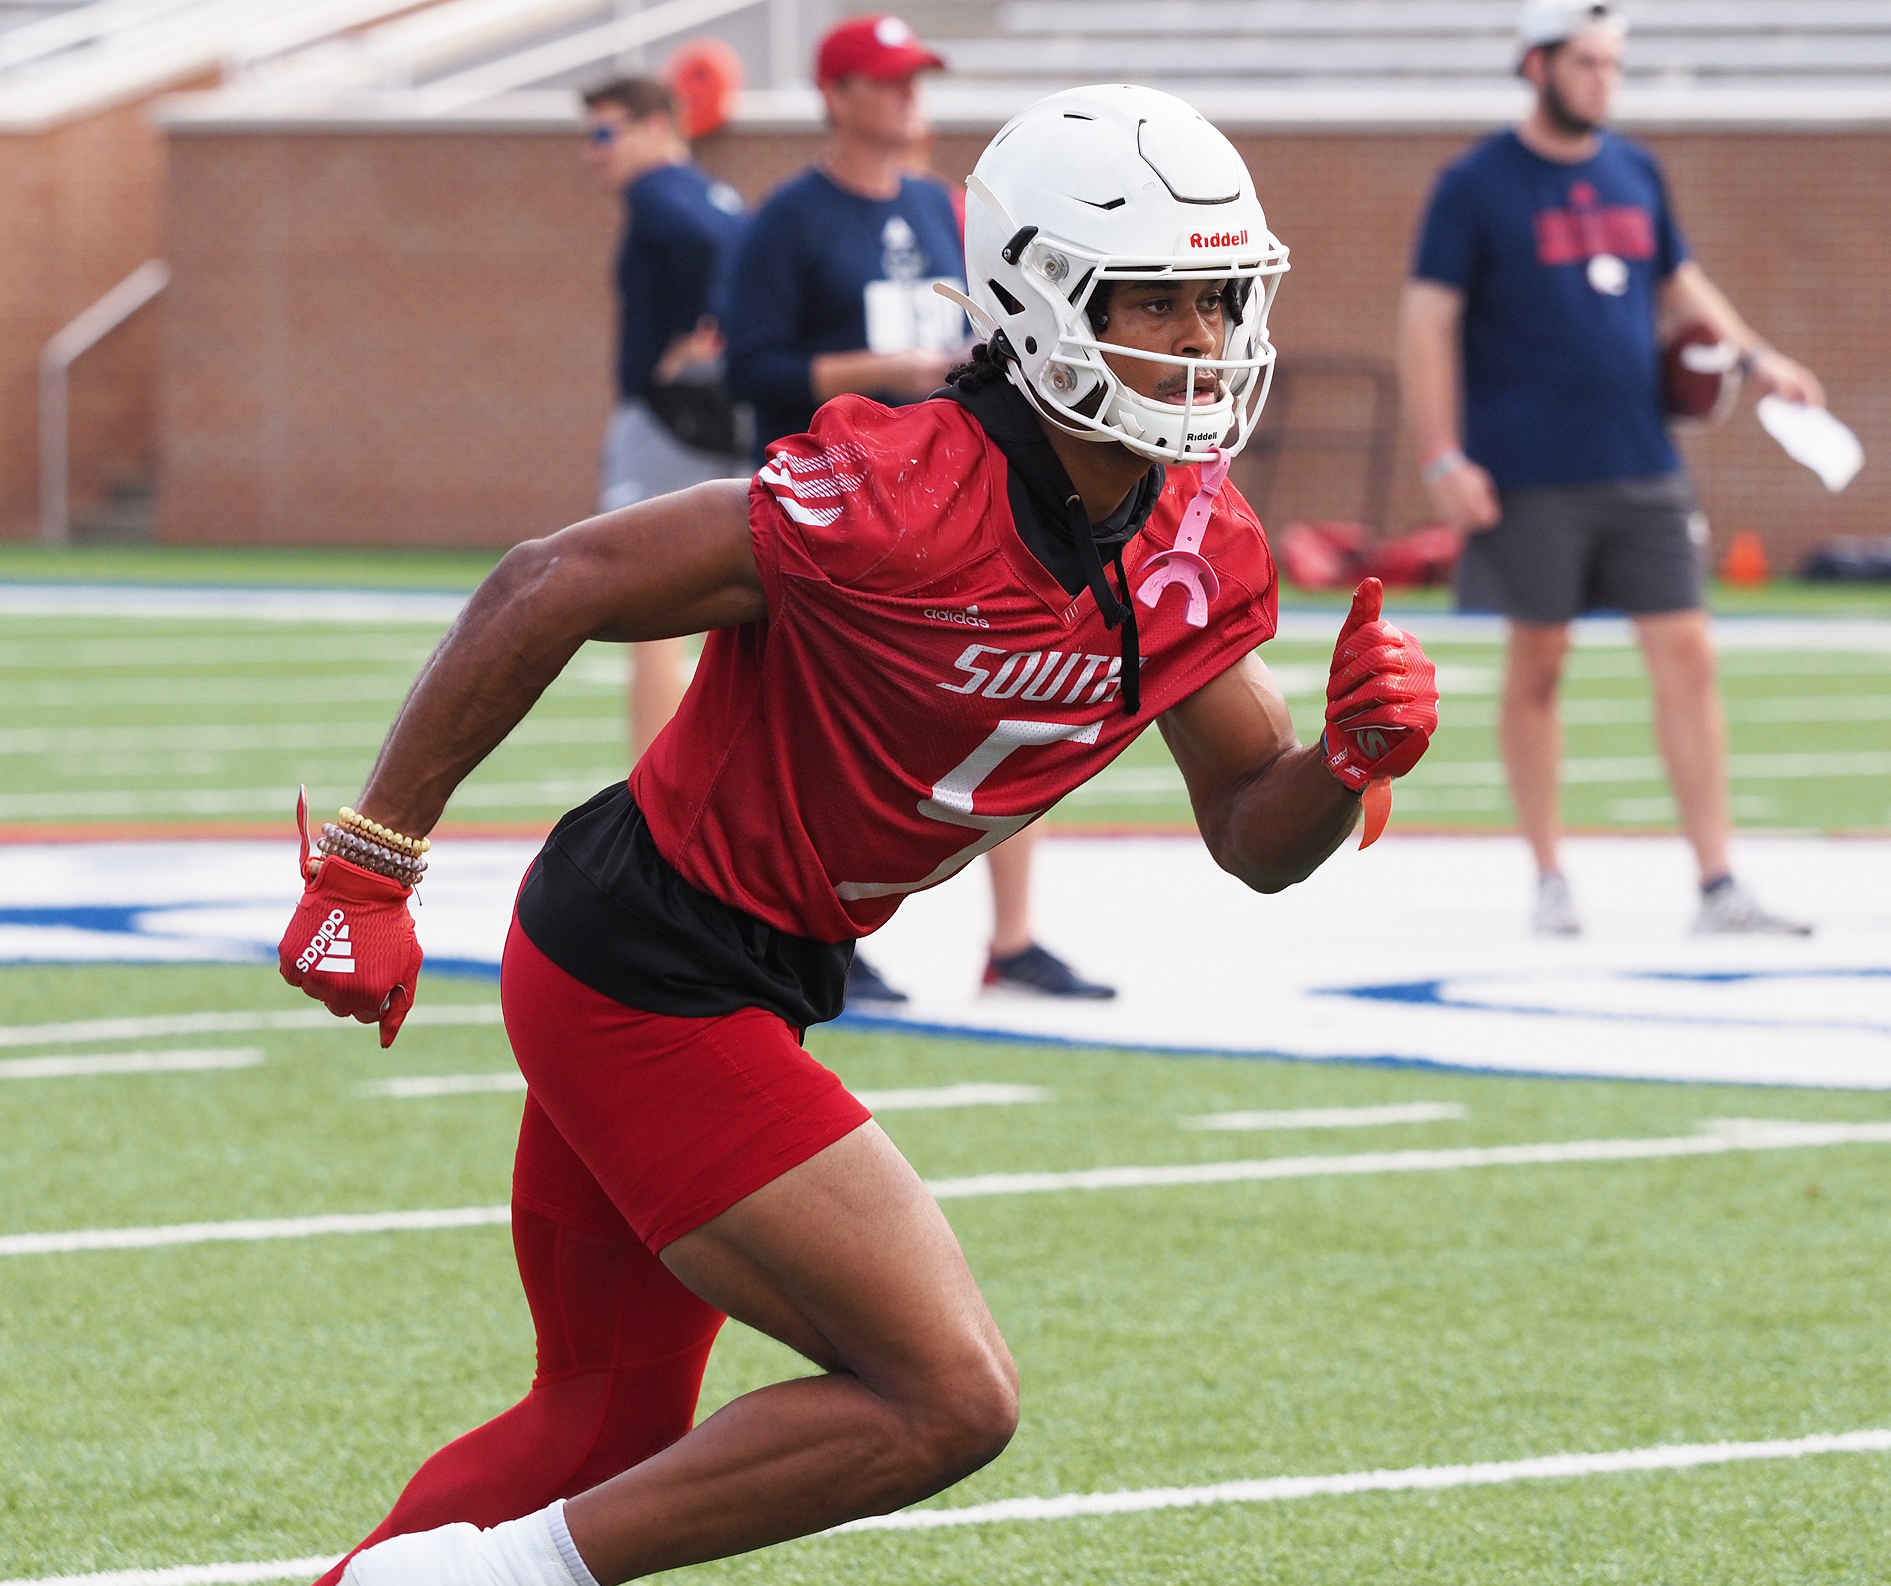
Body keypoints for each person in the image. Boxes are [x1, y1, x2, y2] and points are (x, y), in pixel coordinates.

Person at [279, 84, 1437, 1586]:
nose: (1205, 340)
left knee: (603, 1422)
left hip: (728, 967)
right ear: (1041, 296)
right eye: (1158, 298)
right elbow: (550, 579)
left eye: (1221, 299)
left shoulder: (1194, 537)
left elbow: (1250, 828)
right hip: (649, 964)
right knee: (945, 1392)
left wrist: (1343, 762)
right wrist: (373, 860)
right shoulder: (895, 493)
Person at [1398, 0, 1821, 938]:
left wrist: (1759, 361)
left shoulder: (1636, 171)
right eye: (1585, 62)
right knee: (1539, 664)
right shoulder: (1474, 183)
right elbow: (1426, 324)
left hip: (1643, 460)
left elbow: (1682, 287)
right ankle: (1550, 877)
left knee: (1689, 656)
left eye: (1613, 64)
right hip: (1527, 469)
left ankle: (1718, 883)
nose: (1603, 79)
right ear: (1536, 65)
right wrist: (1441, 456)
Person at [724, 14, 1104, 1002]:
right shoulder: (789, 218)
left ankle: (1012, 938)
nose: (908, 97)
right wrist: (882, 371)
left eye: (913, 81)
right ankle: (810, 936)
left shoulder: (942, 207)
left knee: (1025, 701)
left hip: (957, 496)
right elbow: (749, 365)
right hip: (837, 504)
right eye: (887, 82)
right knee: (826, 734)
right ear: (837, 95)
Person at [581, 77, 750, 759]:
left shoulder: (658, 192)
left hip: (670, 421)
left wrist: (698, 336)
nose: (593, 153)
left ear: (656, 128)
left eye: (603, 134)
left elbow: (708, 247)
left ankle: (650, 785)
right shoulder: (715, 189)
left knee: (645, 603)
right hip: (710, 418)